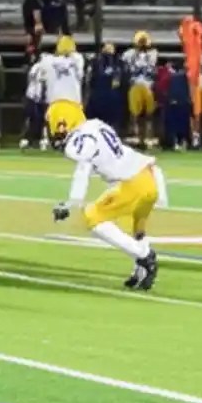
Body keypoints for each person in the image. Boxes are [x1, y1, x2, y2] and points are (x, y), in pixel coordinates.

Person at [46, 100, 165, 290]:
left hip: (132, 182)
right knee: (138, 228)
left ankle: (144, 257)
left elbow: (83, 170)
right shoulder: (95, 124)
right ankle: (140, 271)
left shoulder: (79, 141)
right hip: (149, 174)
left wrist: (71, 203)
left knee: (92, 216)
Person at [120, 31, 158, 147]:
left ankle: (146, 137)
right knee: (135, 114)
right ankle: (137, 137)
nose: (142, 44)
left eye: (143, 42)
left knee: (148, 114)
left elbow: (151, 64)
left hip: (148, 86)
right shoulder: (129, 54)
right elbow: (124, 63)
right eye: (140, 42)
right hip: (135, 85)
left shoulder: (152, 53)